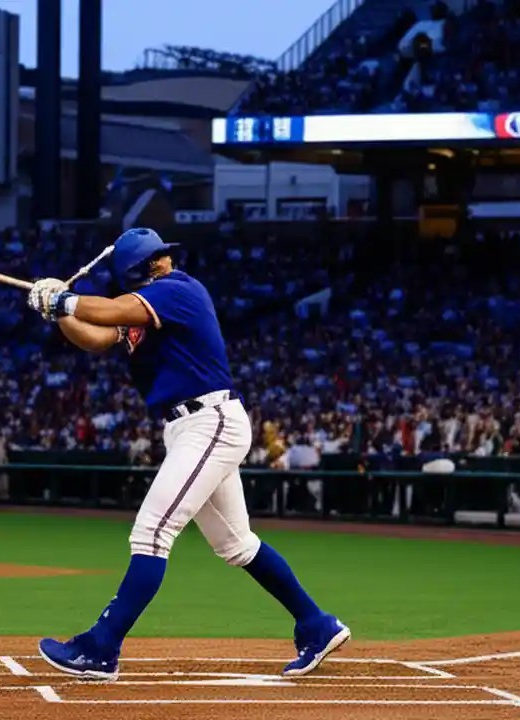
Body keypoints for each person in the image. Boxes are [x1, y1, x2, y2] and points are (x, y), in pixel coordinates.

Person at [25, 228, 349, 681]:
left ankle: (102, 647)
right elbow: (97, 337)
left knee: (151, 534)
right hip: (190, 427)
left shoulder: (178, 290)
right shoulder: (145, 304)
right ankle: (317, 624)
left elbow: (111, 308)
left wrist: (65, 300)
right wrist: (55, 311)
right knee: (237, 544)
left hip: (208, 420)